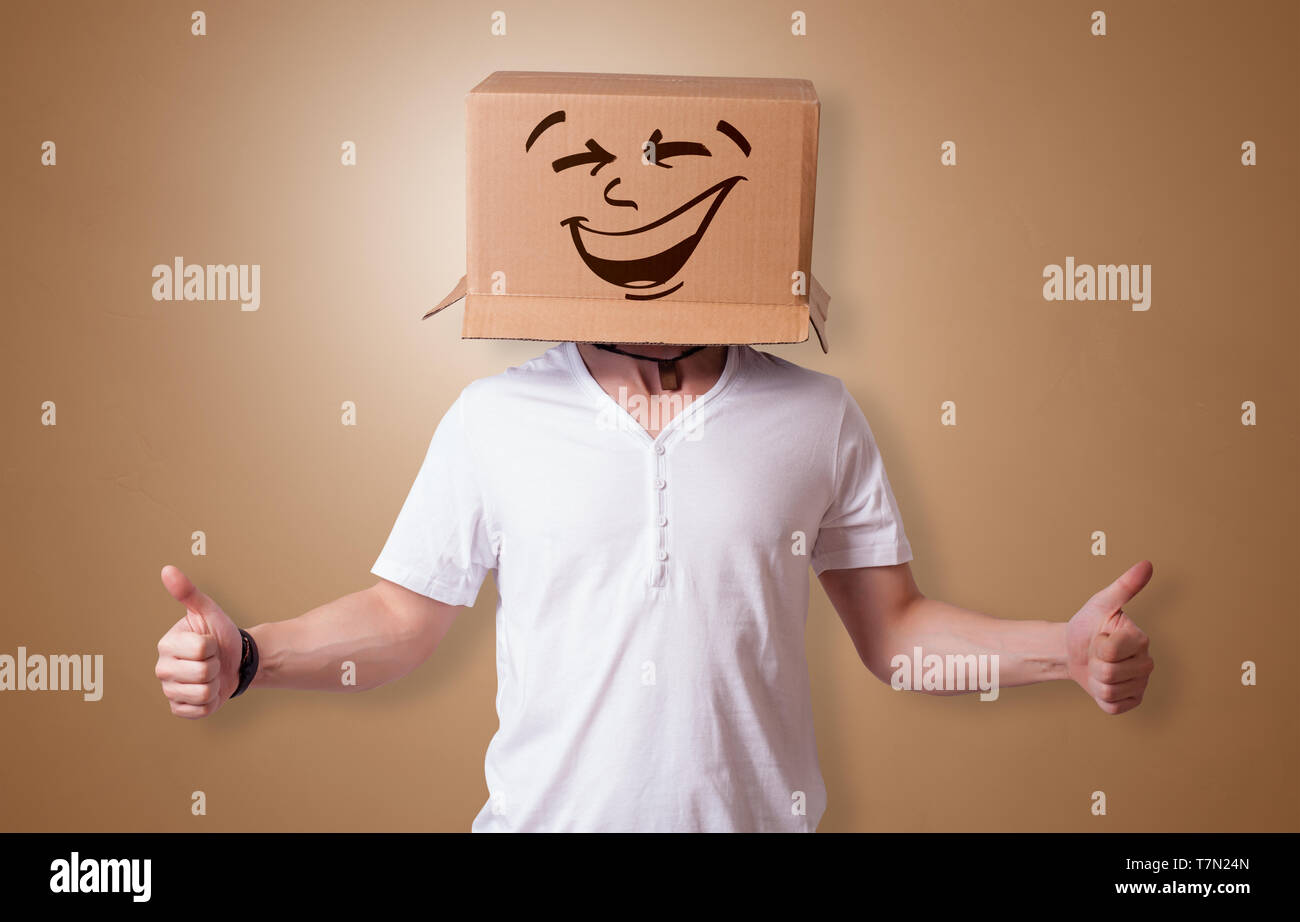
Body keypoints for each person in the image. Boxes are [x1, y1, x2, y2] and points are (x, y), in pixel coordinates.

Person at [154, 340, 1155, 832]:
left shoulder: (814, 412)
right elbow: (400, 620)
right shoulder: (495, 416)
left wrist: (1056, 653)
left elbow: (894, 634)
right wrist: (250, 655)